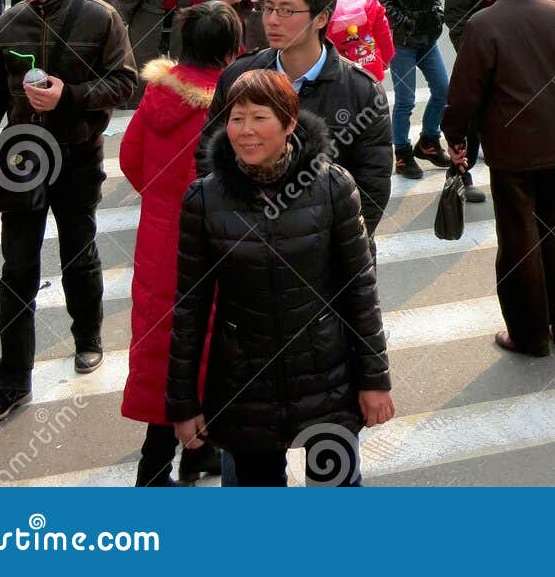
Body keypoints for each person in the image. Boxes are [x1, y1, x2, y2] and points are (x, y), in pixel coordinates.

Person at [168, 69, 394, 486]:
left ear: (289, 123)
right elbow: (190, 306)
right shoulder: (205, 199)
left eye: (259, 117)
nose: (246, 131)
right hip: (244, 384)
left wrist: (375, 379)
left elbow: (360, 289)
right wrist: (182, 404)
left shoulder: (332, 186)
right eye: (236, 118)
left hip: (326, 375)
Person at [0, 0, 137, 426]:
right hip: (21, 157)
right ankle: (12, 382)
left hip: (78, 153)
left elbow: (125, 83)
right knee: (16, 269)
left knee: (78, 252)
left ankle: (88, 337)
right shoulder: (9, 20)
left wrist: (70, 96)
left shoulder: (100, 16)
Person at [443, 0, 555, 356]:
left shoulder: (483, 23)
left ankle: (530, 334)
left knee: (518, 237)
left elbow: (464, 95)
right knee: (554, 227)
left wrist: (455, 136)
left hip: (511, 150)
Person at [121, 1, 243, 487]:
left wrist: (160, 202)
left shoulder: (157, 94)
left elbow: (131, 159)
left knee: (164, 351)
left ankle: (190, 457)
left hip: (158, 242)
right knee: (208, 352)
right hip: (211, 244)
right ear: (232, 49)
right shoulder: (231, 107)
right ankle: (156, 469)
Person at [195, 0, 392, 234]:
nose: (272, 20)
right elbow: (210, 158)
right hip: (247, 243)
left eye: (286, 11)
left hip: (327, 250)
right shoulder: (239, 76)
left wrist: (339, 244)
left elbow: (372, 185)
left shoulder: (361, 91)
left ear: (321, 17)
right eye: (268, 7)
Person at [373, 0, 451, 181]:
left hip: (427, 37)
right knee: (405, 101)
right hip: (403, 41)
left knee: (443, 89)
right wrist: (407, 21)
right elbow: (381, 1)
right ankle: (403, 154)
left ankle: (429, 141)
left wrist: (437, 13)